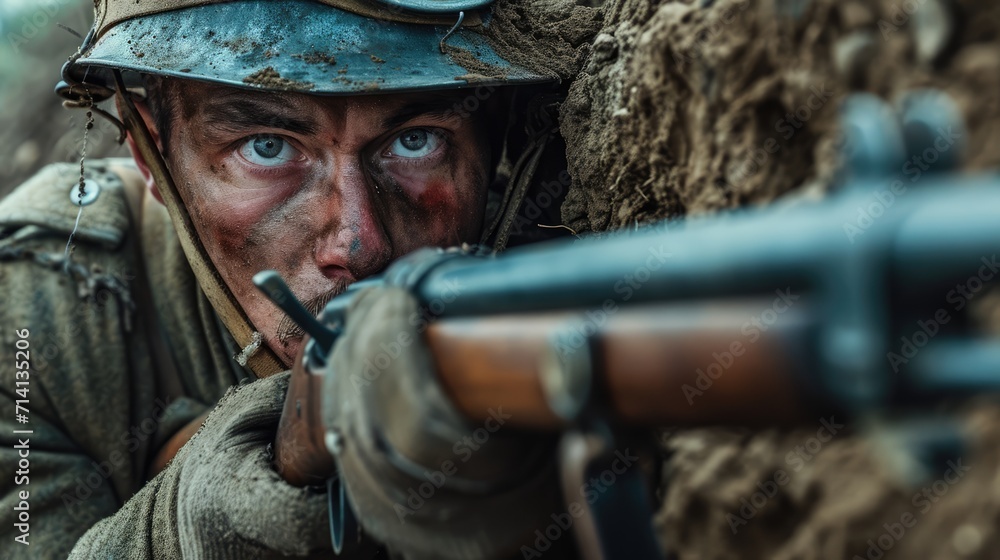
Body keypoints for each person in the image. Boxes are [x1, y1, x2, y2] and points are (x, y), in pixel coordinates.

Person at [0, 0, 587, 557]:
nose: (358, 244)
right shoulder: (34, 313)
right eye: (267, 147)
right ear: (154, 157)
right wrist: (204, 517)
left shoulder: (565, 248)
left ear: (494, 138)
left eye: (416, 140)